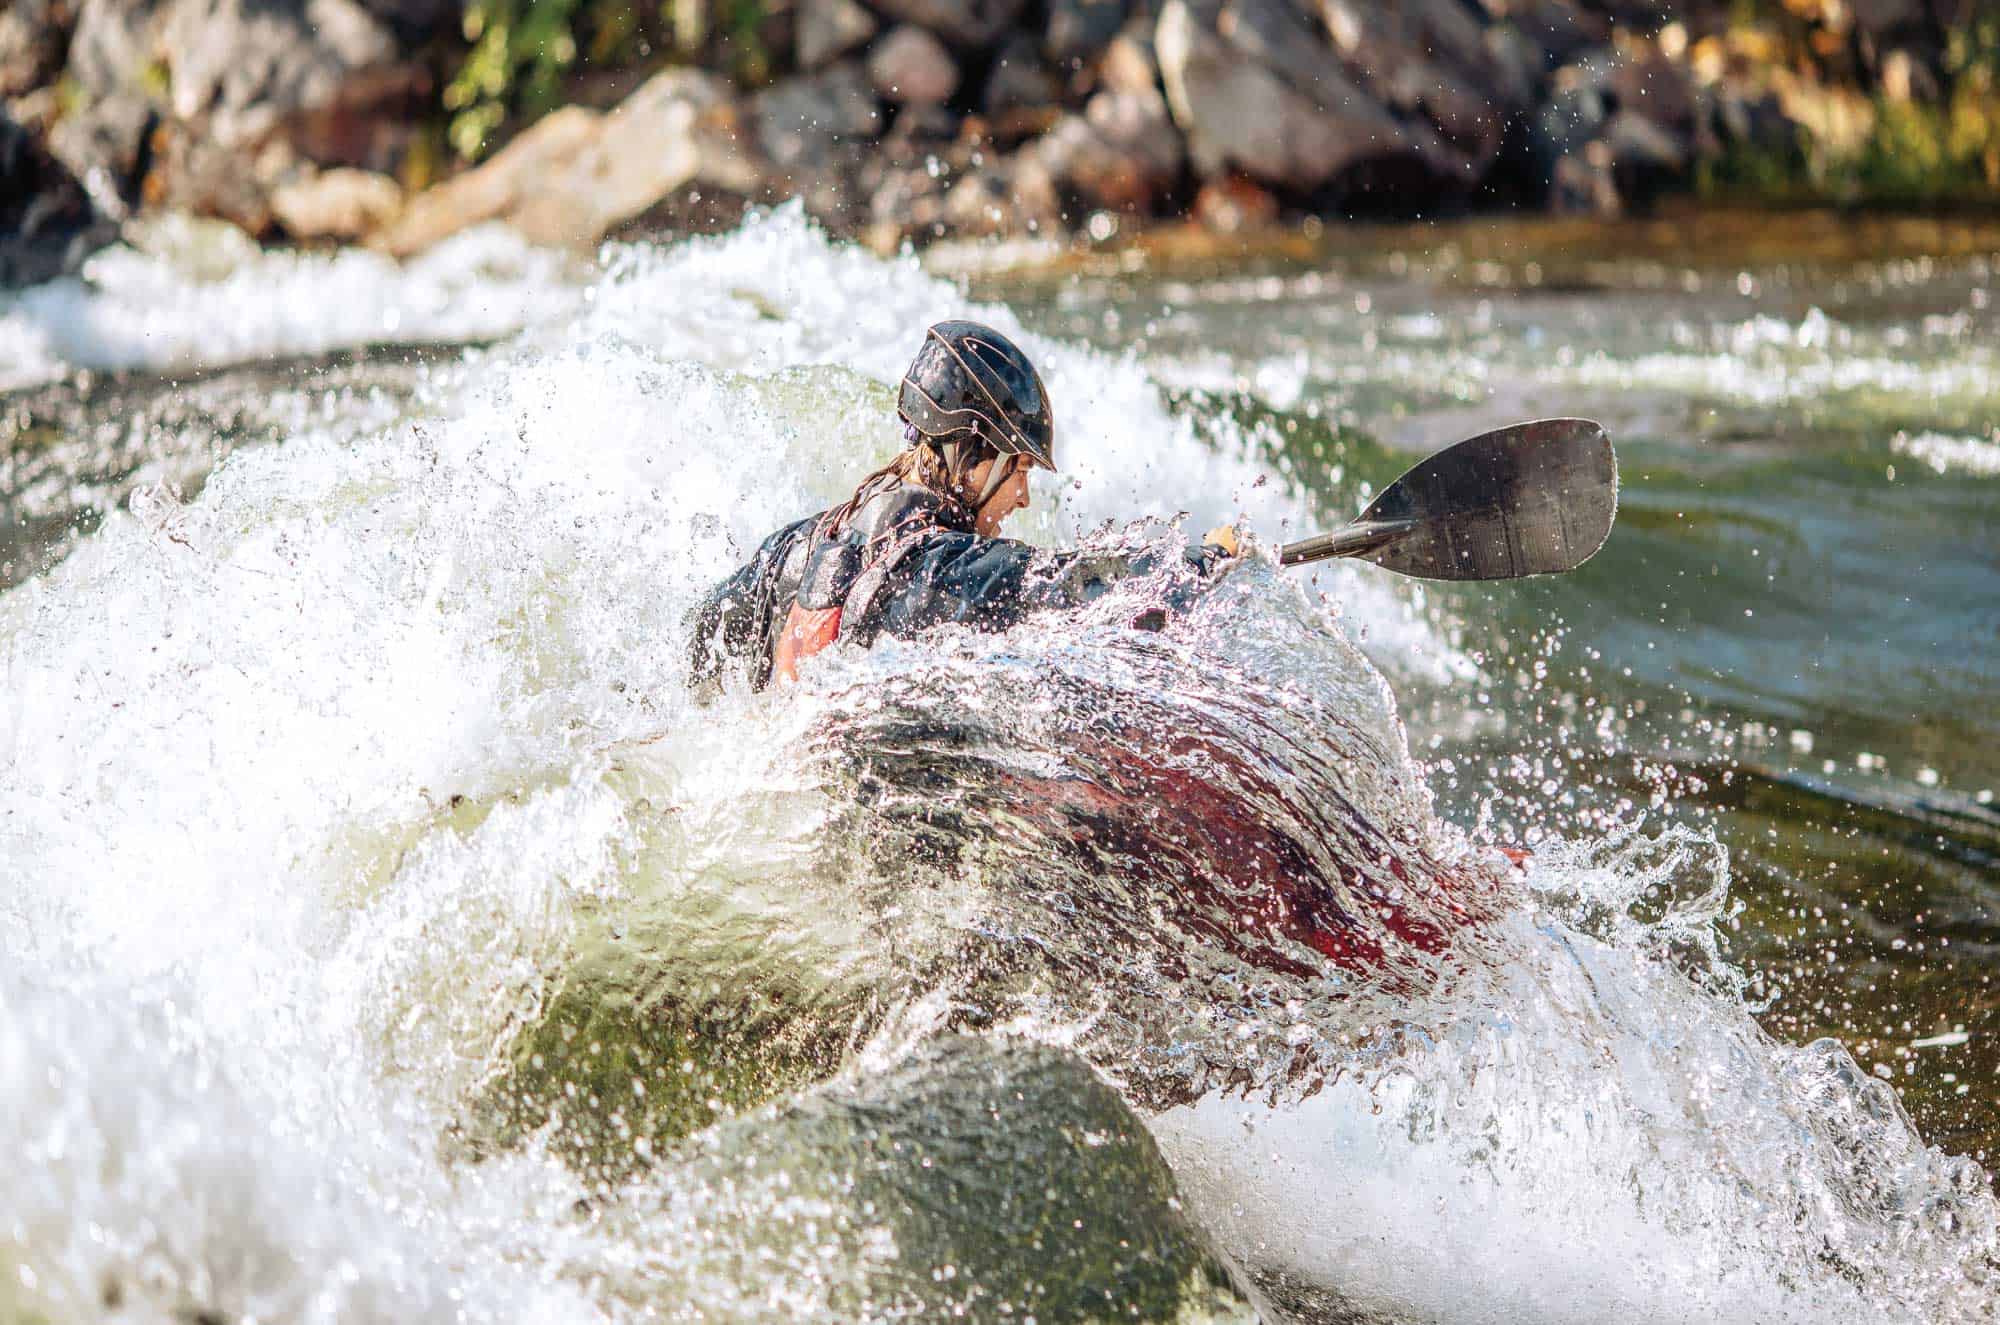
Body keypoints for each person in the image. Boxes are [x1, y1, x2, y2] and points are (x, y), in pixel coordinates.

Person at [688, 320, 1239, 691]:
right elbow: (1067, 586)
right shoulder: (939, 569)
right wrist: (1195, 562)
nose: (1022, 497)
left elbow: (700, 645)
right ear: (972, 453)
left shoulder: (801, 544)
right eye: (1018, 469)